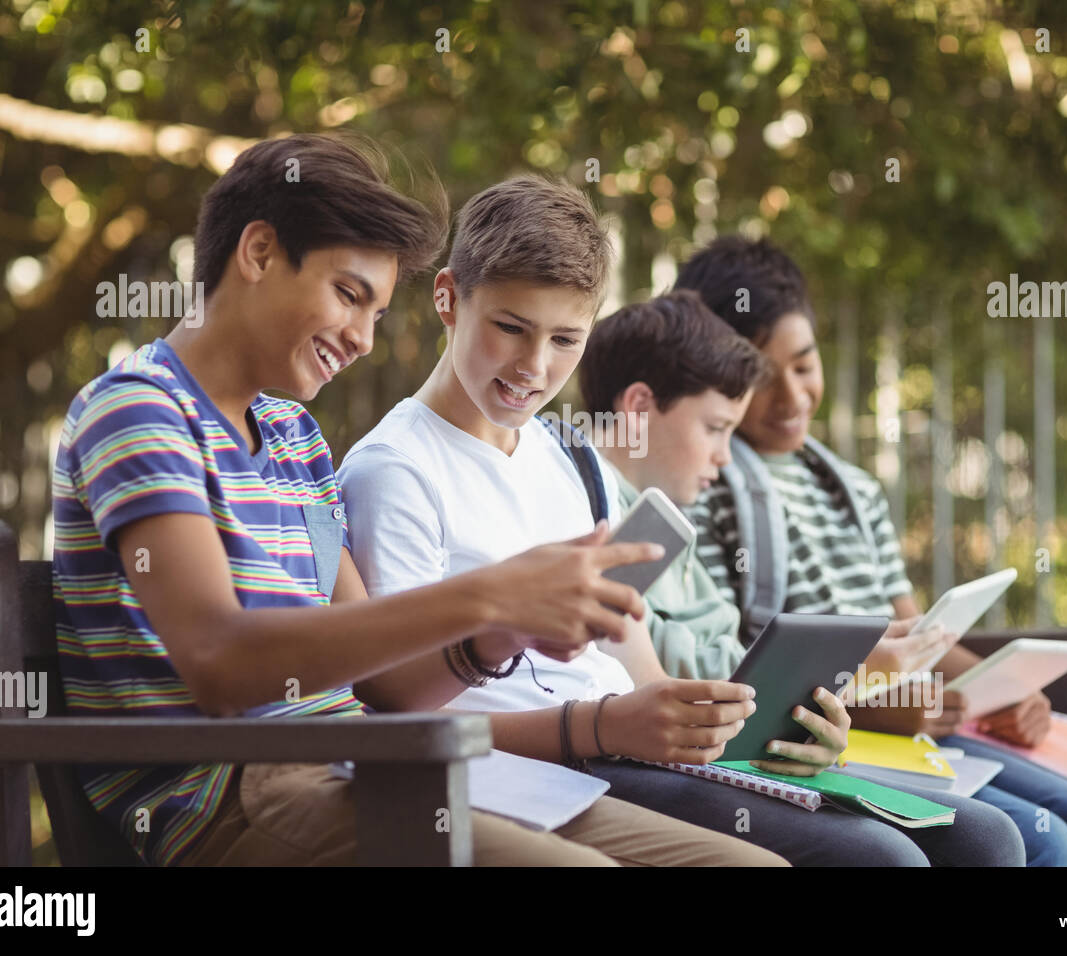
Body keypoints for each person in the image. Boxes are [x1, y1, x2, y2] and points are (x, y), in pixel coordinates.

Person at [51, 131, 775, 868]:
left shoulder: (292, 436)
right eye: (348, 295)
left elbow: (390, 685)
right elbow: (219, 661)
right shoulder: (141, 410)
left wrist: (505, 630)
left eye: (375, 309)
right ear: (259, 252)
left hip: (366, 766)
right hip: (231, 793)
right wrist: (490, 597)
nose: (364, 338)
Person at [339, 185, 1025, 866]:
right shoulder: (396, 471)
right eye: (511, 329)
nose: (535, 366)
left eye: (566, 339)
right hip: (547, 765)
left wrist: (759, 730)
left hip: (627, 745)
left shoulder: (559, 456)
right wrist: (605, 727)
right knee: (882, 860)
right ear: (448, 298)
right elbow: (399, 712)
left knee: (986, 839)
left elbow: (638, 663)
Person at [674, 234, 1067, 867]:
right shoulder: (709, 484)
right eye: (763, 378)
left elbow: (919, 633)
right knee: (1059, 828)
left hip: (923, 714)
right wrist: (883, 703)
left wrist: (1005, 694)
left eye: (804, 365)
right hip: (852, 727)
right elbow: (741, 667)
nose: (793, 397)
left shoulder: (849, 487)